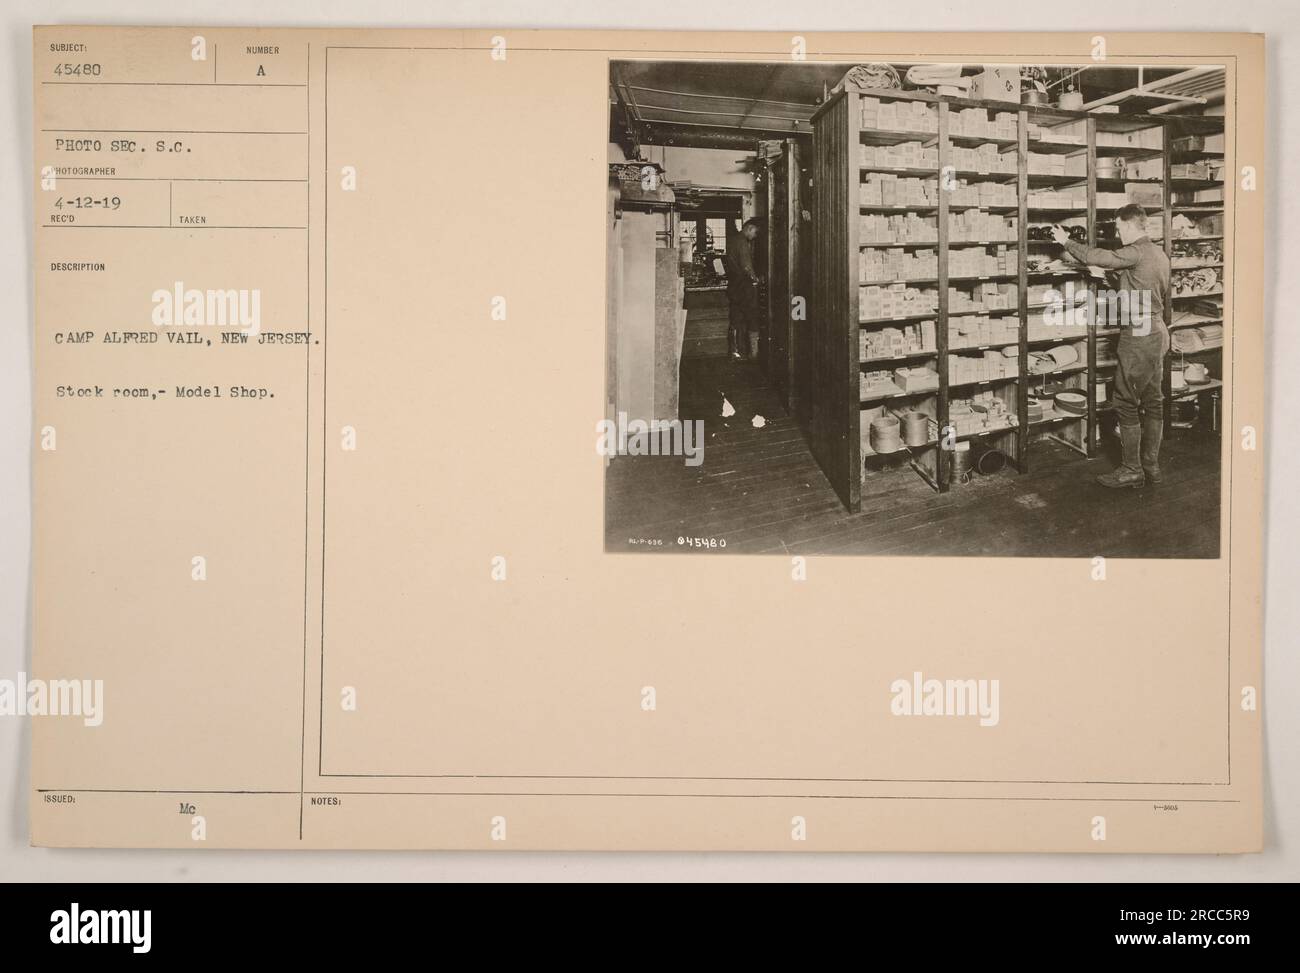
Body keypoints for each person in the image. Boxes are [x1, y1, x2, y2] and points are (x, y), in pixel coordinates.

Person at [1051, 204, 1171, 488]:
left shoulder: (1135, 250)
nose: (1117, 233)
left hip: (1139, 334)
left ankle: (1132, 470)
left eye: (1118, 227)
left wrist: (1065, 241)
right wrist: (1106, 278)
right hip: (1156, 330)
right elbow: (1142, 288)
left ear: (1129, 225)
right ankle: (1151, 466)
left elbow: (1100, 256)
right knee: (1153, 401)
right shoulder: (1158, 254)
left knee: (1125, 401)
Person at [724, 218, 762, 360]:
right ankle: (754, 354)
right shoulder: (742, 242)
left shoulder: (733, 240)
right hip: (744, 287)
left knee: (735, 319)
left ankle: (735, 353)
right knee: (752, 318)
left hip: (734, 286)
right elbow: (746, 265)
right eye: (755, 233)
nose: (755, 236)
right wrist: (755, 279)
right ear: (749, 228)